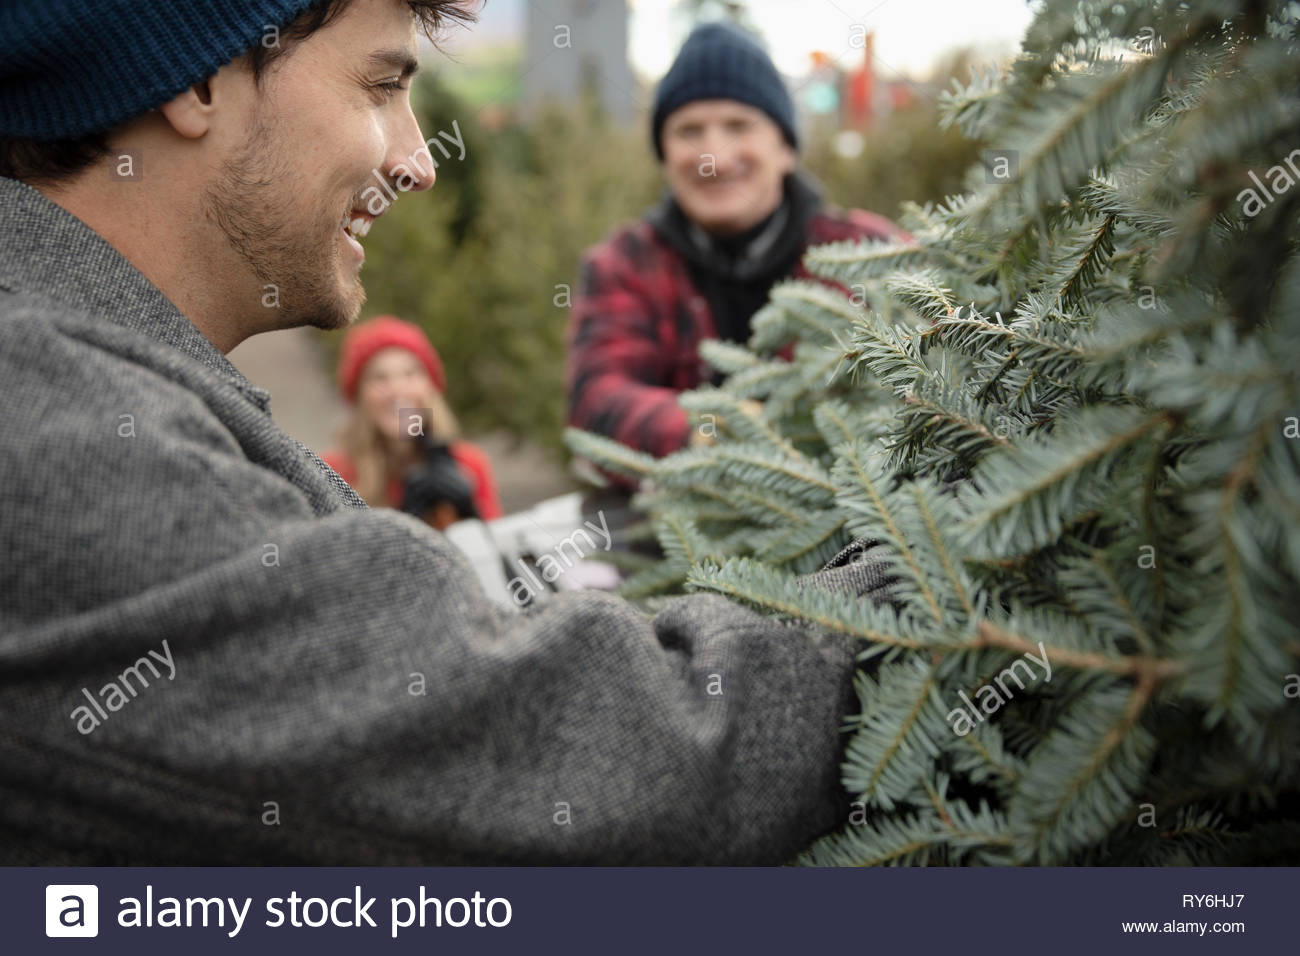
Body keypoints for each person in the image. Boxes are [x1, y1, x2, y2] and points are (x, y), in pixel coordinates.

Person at [0, 0, 892, 865]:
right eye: (381, 85)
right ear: (196, 79)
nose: (421, 162)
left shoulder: (104, 375)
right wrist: (917, 604)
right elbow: (538, 749)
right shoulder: (56, 438)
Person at [566, 22, 905, 463]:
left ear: (786, 148)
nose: (714, 158)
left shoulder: (871, 254)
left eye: (738, 126)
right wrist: (715, 429)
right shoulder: (623, 264)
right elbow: (596, 400)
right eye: (689, 131)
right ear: (663, 153)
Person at [322, 314, 503, 529]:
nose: (397, 389)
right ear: (359, 395)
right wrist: (405, 522)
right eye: (380, 378)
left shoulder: (469, 465)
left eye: (410, 374)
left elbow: (495, 554)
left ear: (430, 387)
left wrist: (472, 515)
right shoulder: (332, 474)